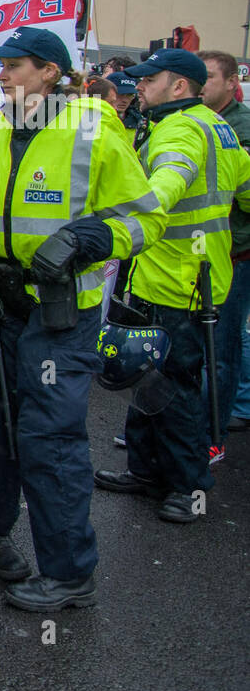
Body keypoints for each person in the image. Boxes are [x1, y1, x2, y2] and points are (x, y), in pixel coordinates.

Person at [0, 27, 164, 610]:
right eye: (0, 67)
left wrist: (91, 236)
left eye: (16, 66)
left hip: (61, 316)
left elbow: (144, 221)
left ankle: (70, 574)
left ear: (51, 71)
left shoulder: (95, 129)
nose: (3, 76)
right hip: (0, 305)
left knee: (50, 438)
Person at [96, 49, 250, 522]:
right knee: (149, 377)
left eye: (148, 80)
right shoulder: (216, 126)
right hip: (184, 275)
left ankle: (188, 487)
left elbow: (167, 185)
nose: (137, 87)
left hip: (178, 281)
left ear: (179, 86)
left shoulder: (181, 129)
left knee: (175, 386)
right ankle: (145, 470)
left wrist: (122, 223)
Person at [196, 51, 250, 437]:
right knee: (201, 344)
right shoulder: (197, 121)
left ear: (232, 82)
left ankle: (214, 430)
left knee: (223, 344)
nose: (203, 85)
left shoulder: (240, 126)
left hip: (235, 250)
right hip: (202, 251)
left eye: (210, 78)